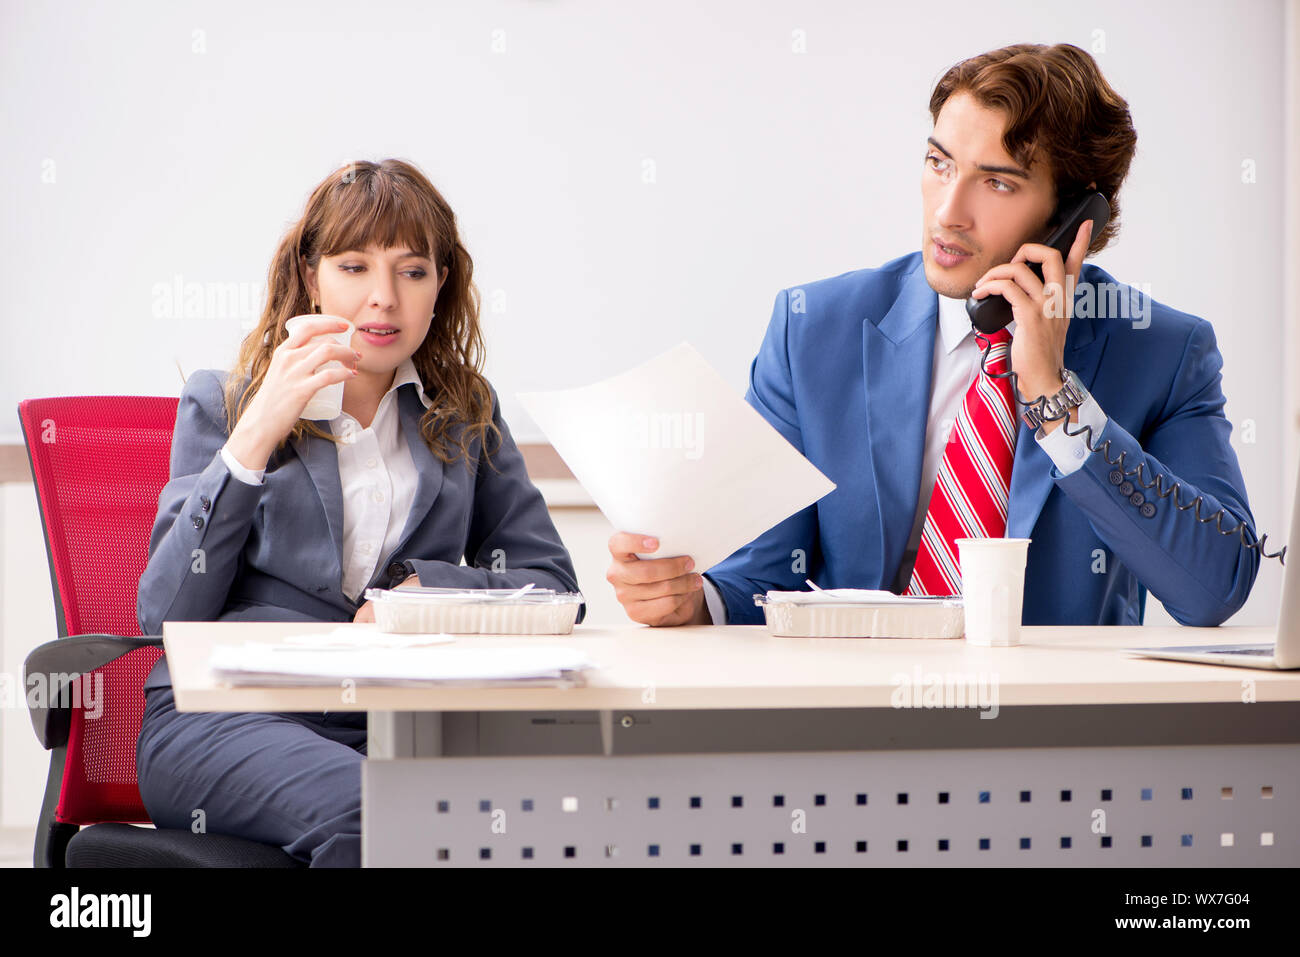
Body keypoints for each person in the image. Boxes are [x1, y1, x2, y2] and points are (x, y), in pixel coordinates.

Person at [606, 42, 1260, 629]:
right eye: (939, 163)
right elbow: (766, 576)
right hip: (854, 726)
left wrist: (1055, 399)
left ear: (1071, 218)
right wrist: (694, 601)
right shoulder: (815, 330)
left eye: (997, 182)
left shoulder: (1164, 353)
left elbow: (1213, 589)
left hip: (1057, 740)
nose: (948, 213)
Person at [136, 158, 581, 867]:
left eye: (412, 271)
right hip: (224, 717)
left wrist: (424, 592)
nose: (383, 298)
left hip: (394, 722)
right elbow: (162, 612)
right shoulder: (223, 401)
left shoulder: (465, 412)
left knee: (545, 814)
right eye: (353, 267)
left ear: (442, 284)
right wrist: (254, 436)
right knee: (378, 814)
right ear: (312, 278)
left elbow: (553, 587)